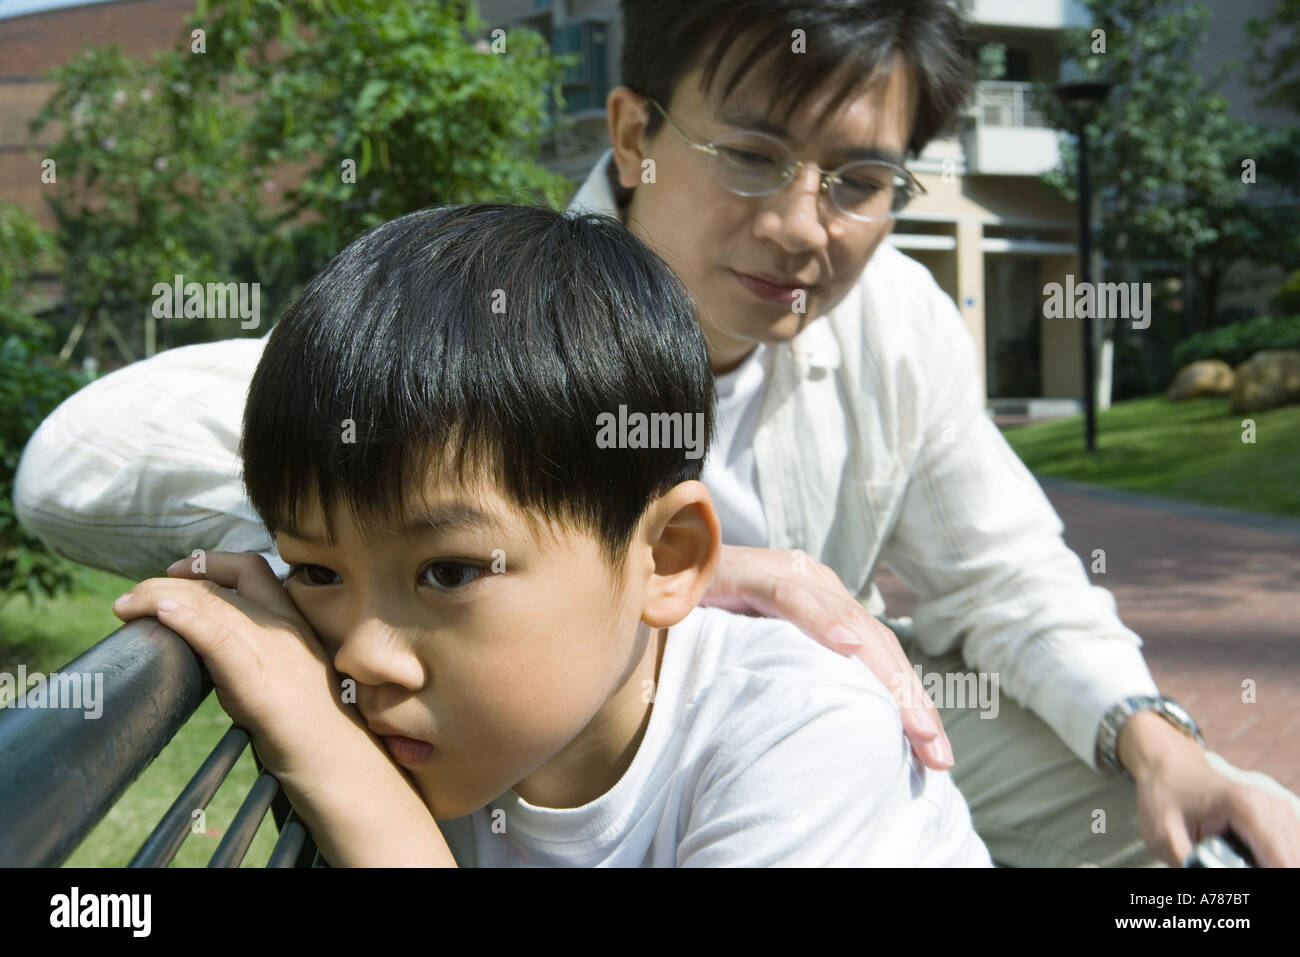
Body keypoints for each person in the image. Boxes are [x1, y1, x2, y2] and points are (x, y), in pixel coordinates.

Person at [15, 0, 1300, 866]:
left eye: (859, 183)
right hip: (566, 756)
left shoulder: (897, 317)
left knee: (1178, 826)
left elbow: (1010, 576)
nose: (805, 227)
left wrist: (1154, 736)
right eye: (752, 155)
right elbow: (80, 467)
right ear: (634, 135)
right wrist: (678, 565)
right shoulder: (495, 325)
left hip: (817, 734)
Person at [110, 203, 994, 867]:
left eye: (449, 571)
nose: (361, 658)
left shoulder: (802, 736)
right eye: (314, 570)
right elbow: (78, 469)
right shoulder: (462, 725)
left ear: (667, 557)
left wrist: (343, 771)